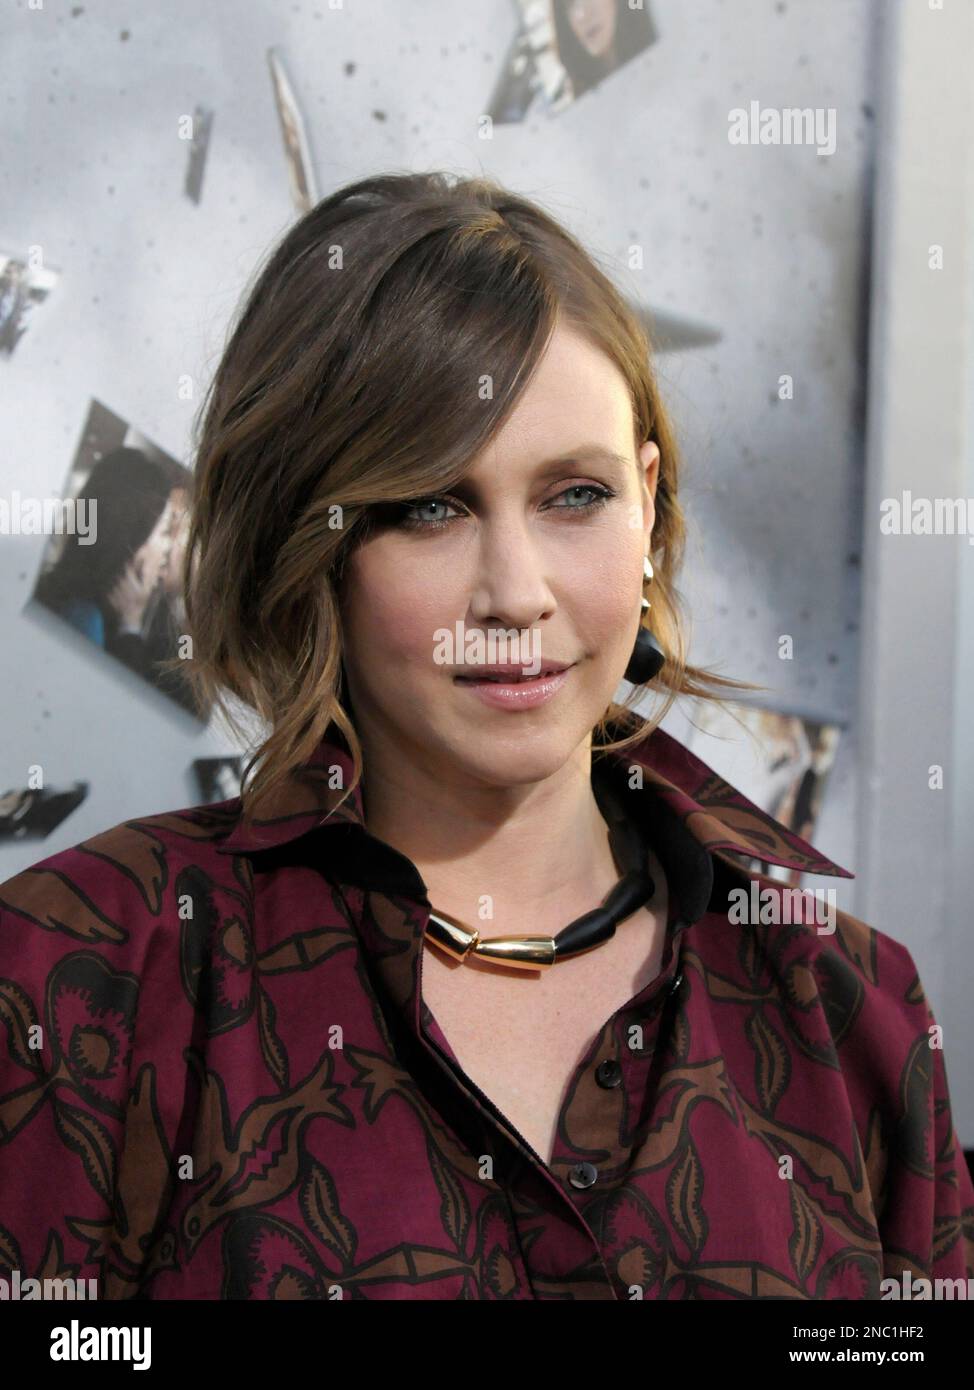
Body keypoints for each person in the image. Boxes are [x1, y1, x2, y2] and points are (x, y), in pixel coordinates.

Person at [1, 171, 971, 1301]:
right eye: (429, 506)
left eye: (573, 496)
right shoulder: (83, 977)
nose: (515, 594)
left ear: (646, 503)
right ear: (307, 540)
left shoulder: (850, 1007)